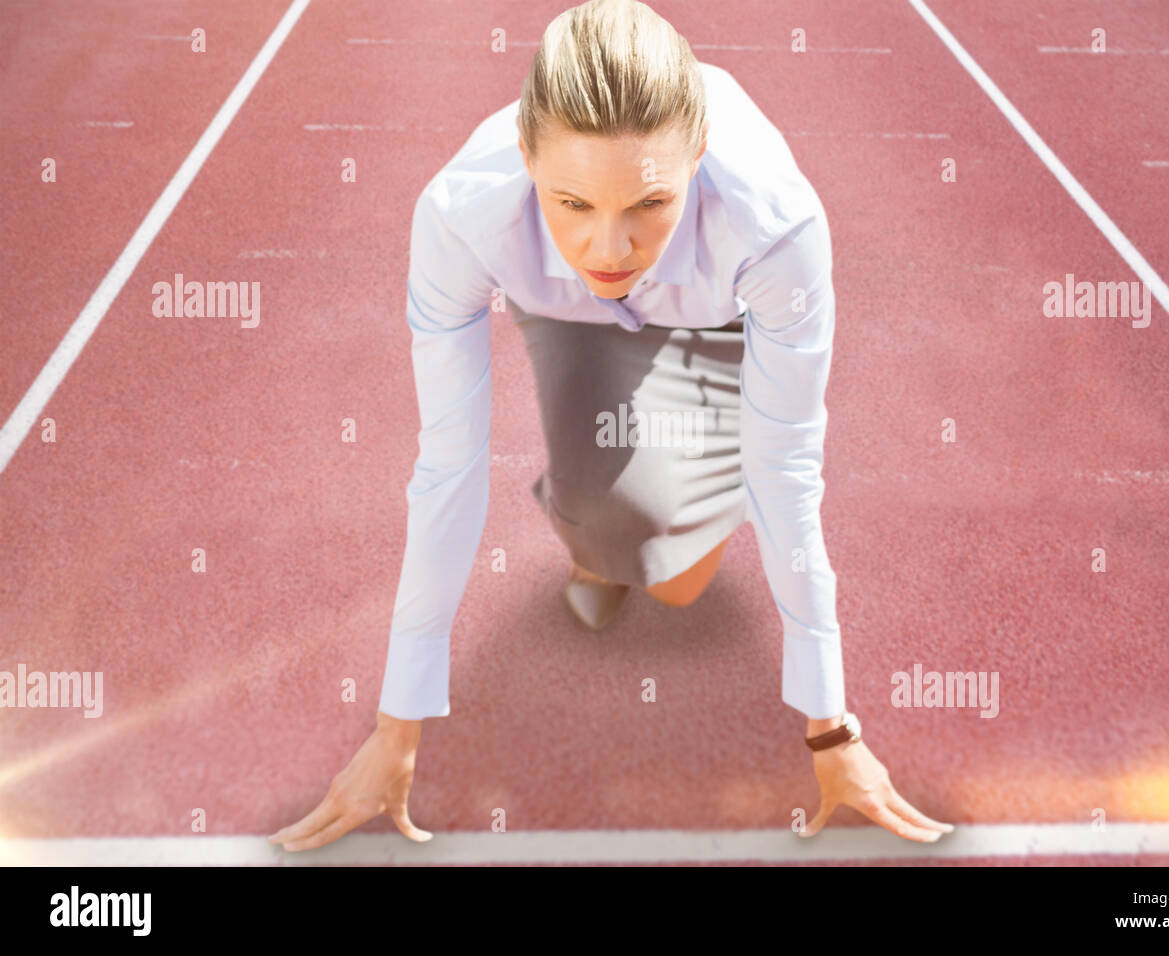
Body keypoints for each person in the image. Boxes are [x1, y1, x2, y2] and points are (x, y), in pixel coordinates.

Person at [270, 0, 954, 854]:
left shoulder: (776, 229)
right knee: (603, 517)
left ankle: (662, 510)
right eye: (572, 201)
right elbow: (448, 466)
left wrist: (832, 730)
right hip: (556, 306)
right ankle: (606, 538)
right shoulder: (462, 218)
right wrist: (395, 727)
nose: (609, 246)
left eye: (649, 202)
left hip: (711, 304)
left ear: (698, 160)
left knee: (678, 564)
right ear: (525, 161)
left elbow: (784, 467)